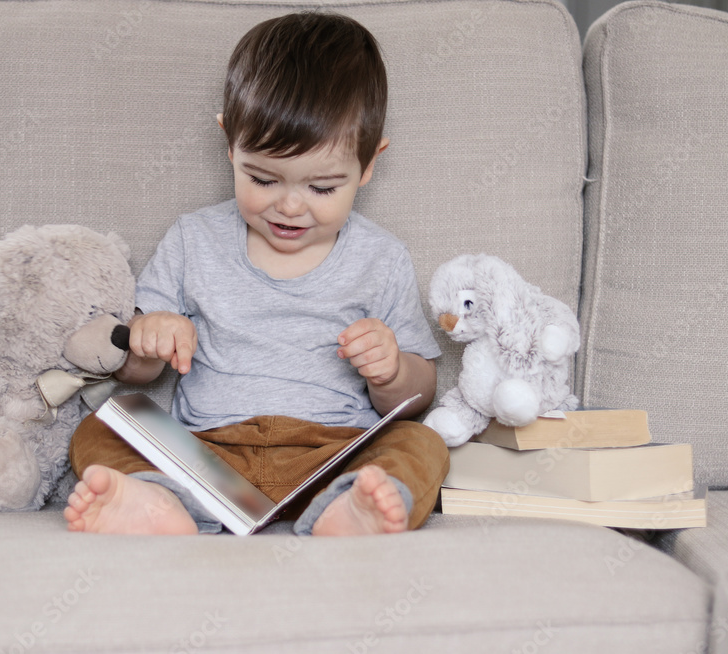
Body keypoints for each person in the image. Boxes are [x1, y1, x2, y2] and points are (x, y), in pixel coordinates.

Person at [64, 11, 449, 536]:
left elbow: (419, 393)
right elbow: (132, 373)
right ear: (230, 143)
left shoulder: (381, 259)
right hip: (209, 459)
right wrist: (147, 339)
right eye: (263, 179)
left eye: (322, 188)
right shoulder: (191, 240)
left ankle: (351, 511)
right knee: (101, 425)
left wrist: (391, 371)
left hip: (333, 456)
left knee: (421, 441)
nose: (290, 207)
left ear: (369, 165)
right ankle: (160, 504)